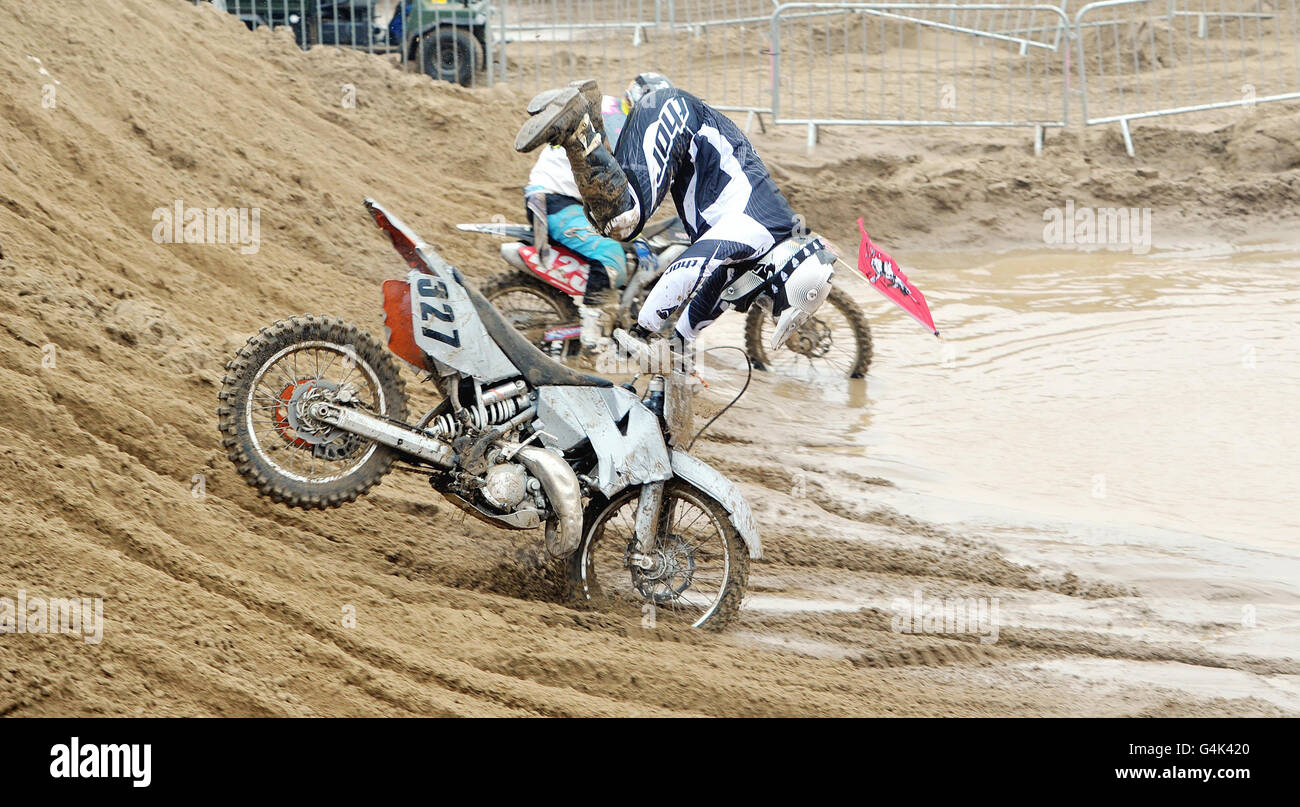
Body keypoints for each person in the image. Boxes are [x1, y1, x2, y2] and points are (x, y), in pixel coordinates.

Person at [514, 74, 835, 361]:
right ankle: (579, 126)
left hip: (680, 121)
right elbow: (686, 269)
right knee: (622, 220)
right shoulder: (758, 231)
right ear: (783, 274)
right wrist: (641, 332)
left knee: (619, 215)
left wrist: (679, 345)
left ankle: (588, 113)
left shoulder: (765, 242)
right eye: (770, 299)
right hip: (676, 115)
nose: (763, 303)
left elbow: (710, 299)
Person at [522, 94, 629, 349]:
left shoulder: (607, 108)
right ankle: (591, 340)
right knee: (609, 254)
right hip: (553, 201)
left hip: (557, 199)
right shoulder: (616, 120)